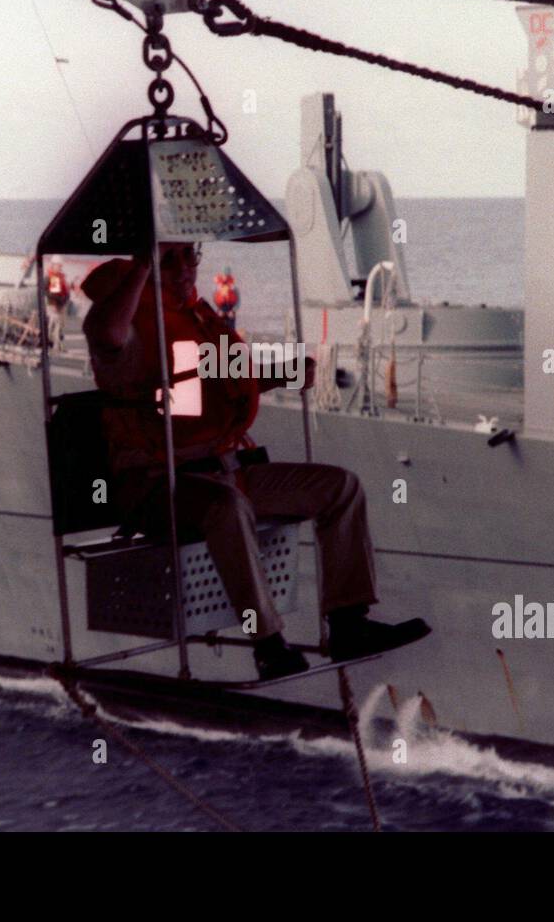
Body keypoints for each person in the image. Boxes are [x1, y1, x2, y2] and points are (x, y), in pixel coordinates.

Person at [81, 242, 430, 681]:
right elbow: (105, 333)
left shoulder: (191, 318)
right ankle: (268, 644)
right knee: (226, 507)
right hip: (156, 485)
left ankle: (348, 624)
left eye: (189, 256)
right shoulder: (128, 323)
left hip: (225, 471)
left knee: (339, 488)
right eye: (168, 260)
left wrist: (283, 374)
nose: (185, 268)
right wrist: (141, 267)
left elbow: (208, 389)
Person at [45, 256, 71, 353]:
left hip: (61, 305)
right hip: (54, 306)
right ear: (53, 265)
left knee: (60, 326)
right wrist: (56, 305)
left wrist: (65, 300)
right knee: (54, 326)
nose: (60, 267)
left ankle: (57, 345)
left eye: (60, 265)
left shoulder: (60, 277)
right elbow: (52, 294)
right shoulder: (53, 277)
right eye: (58, 265)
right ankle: (52, 345)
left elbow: (66, 292)